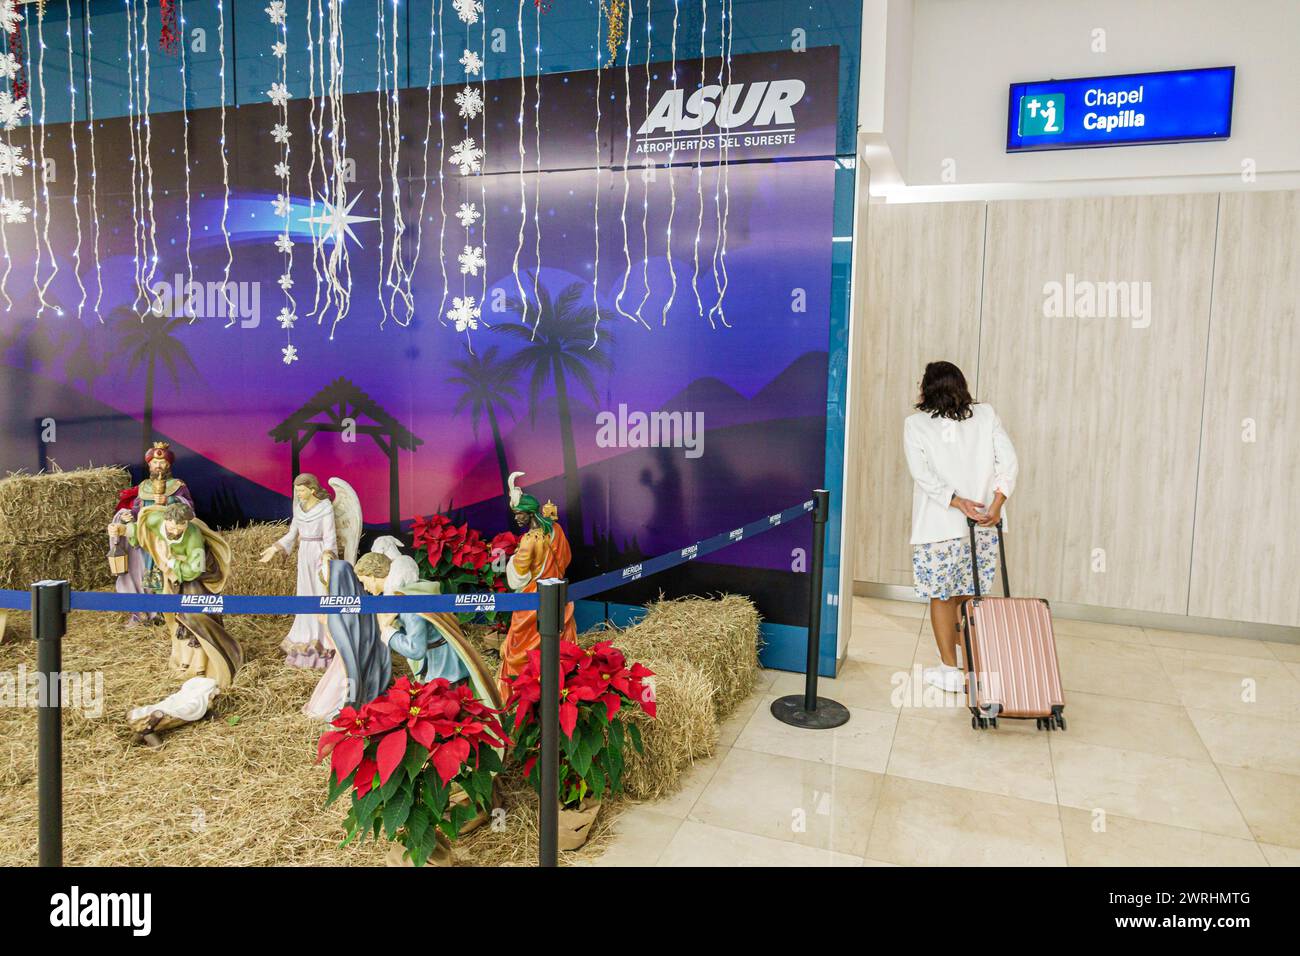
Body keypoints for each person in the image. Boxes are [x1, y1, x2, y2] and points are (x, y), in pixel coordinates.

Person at [903, 361, 1018, 694]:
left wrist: (955, 501)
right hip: (983, 525)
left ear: (927, 388)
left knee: (942, 597)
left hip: (938, 527)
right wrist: (997, 503)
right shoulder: (985, 415)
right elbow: (1008, 462)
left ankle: (949, 670)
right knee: (970, 596)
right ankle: (972, 667)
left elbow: (922, 474)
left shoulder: (916, 424)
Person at [353, 551, 503, 710]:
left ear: (374, 576)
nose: (365, 588)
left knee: (446, 712)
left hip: (444, 670)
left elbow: (416, 650)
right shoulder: (409, 592)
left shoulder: (407, 603)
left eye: (364, 581)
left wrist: (388, 632)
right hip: (438, 664)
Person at [126, 500, 242, 689]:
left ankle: (206, 662)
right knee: (176, 618)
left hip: (195, 578)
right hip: (173, 577)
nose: (177, 530)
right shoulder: (156, 520)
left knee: (196, 616)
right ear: (166, 520)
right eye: (173, 526)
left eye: (182, 526)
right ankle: (183, 660)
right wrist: (127, 529)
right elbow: (140, 527)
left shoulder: (193, 536)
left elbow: (194, 570)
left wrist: (169, 561)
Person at [497, 471, 576, 701]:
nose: (516, 519)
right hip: (558, 594)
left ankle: (520, 694)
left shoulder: (529, 541)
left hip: (533, 600)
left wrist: (509, 561)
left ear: (530, 513)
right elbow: (567, 558)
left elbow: (517, 579)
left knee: (522, 649)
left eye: (519, 514)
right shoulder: (556, 530)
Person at [110, 441, 194, 624]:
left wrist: (169, 500)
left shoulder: (177, 485)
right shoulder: (144, 486)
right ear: (149, 464)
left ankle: (169, 610)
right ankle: (150, 611)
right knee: (146, 571)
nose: (158, 466)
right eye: (154, 463)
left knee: (167, 570)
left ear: (169, 465)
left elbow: (189, 509)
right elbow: (138, 508)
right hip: (146, 536)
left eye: (162, 463)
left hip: (167, 537)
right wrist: (129, 516)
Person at [260, 474, 337, 668]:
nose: (298, 494)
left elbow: (330, 536)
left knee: (321, 595)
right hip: (304, 556)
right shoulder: (299, 508)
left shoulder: (325, 507)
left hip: (320, 555)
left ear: (312, 489)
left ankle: (324, 642)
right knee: (305, 594)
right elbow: (292, 534)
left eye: (301, 490)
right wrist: (275, 548)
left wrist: (328, 555)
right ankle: (305, 639)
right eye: (296, 490)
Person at [304, 559, 392, 721]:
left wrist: (327, 623)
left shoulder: (342, 609)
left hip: (350, 661)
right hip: (356, 657)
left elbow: (343, 641)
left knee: (328, 702)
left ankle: (342, 709)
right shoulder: (362, 597)